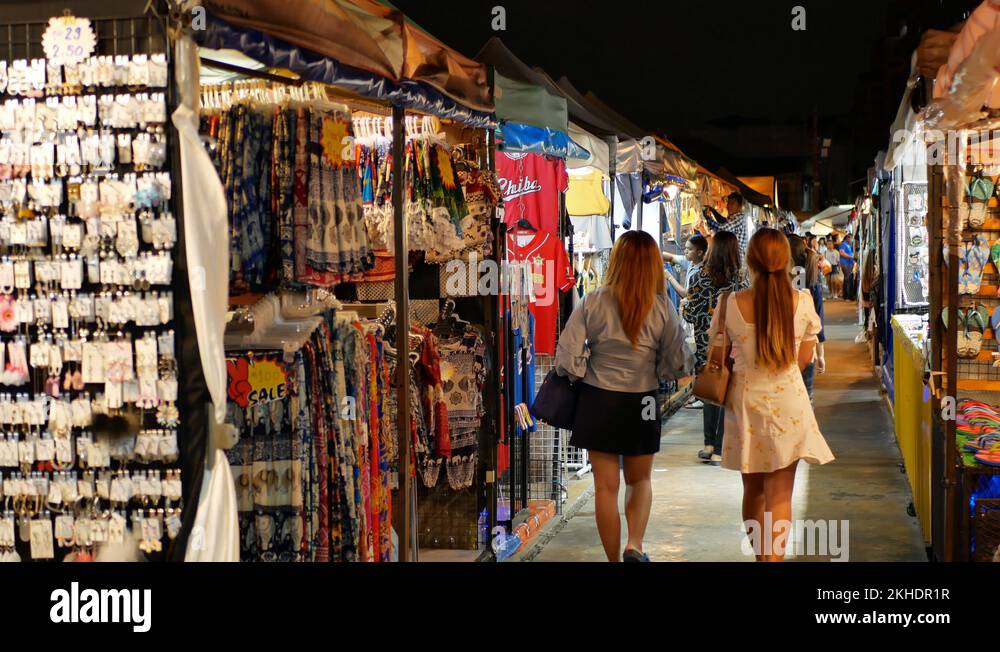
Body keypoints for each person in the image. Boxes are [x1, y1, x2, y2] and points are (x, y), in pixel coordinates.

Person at [555, 230, 695, 562]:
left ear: (616, 260)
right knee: (640, 479)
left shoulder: (593, 301)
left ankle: (614, 560)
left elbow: (566, 356)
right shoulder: (661, 307)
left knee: (605, 487)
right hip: (643, 401)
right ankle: (635, 544)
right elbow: (678, 361)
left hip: (597, 400)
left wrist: (585, 370)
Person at [709, 228, 834, 561]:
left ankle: (762, 555)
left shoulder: (729, 304)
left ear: (749, 261)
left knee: (752, 489)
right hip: (789, 404)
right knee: (780, 496)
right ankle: (772, 559)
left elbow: (716, 358)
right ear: (786, 261)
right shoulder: (803, 302)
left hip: (745, 404)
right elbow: (804, 359)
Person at [682, 231, 748, 465]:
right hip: (734, 347)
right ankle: (721, 447)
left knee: (711, 391)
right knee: (727, 394)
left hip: (706, 346)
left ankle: (709, 444)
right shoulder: (741, 280)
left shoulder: (700, 277)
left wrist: (685, 309)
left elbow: (691, 313)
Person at [789, 235, 826, 399]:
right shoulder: (811, 280)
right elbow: (818, 322)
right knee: (805, 405)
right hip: (806, 352)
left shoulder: (782, 281)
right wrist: (821, 355)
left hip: (783, 354)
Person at [662, 234, 708, 300]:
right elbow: (671, 257)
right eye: (685, 248)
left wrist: (669, 277)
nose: (685, 251)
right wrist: (654, 253)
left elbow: (685, 294)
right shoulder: (691, 262)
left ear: (699, 253)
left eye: (689, 249)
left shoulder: (700, 274)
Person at [838, 233, 856, 301]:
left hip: (849, 263)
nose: (851, 240)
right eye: (851, 238)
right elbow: (841, 252)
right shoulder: (843, 244)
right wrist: (851, 256)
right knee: (847, 279)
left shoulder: (848, 245)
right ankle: (847, 296)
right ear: (847, 238)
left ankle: (848, 295)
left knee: (848, 279)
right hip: (845, 264)